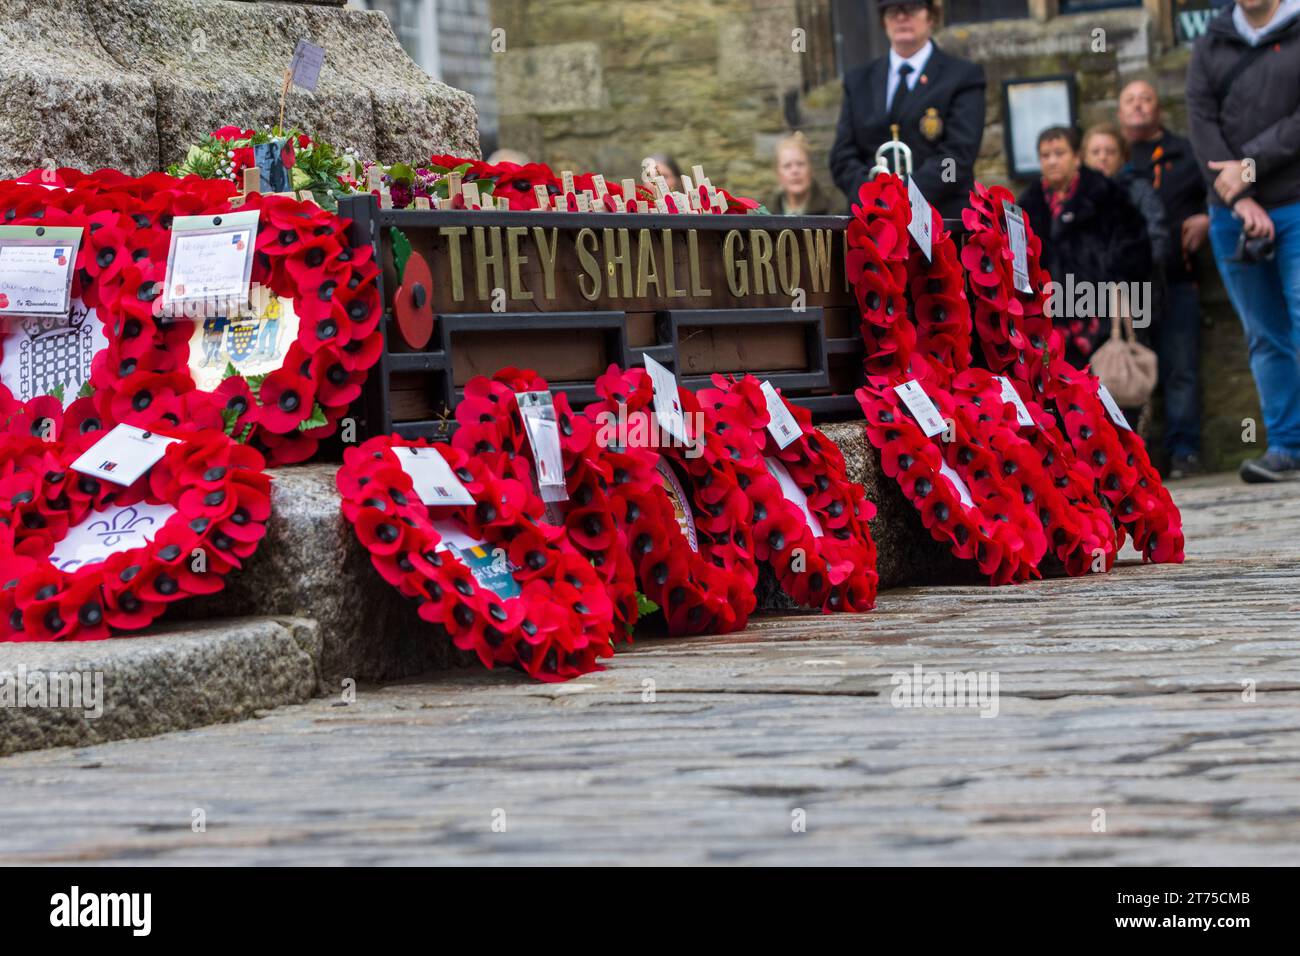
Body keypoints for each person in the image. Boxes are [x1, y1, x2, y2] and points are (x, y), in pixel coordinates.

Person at [1187, 0, 1300, 483]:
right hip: (1232, 212)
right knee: (1263, 333)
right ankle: (1285, 445)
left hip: (1295, 201)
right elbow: (1201, 126)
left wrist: (1249, 168)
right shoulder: (1209, 43)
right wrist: (1239, 200)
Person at [1118, 79, 1210, 479]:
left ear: (1159, 108)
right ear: (1120, 112)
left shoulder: (1187, 153)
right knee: (1126, 369)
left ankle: (1183, 453)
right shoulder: (1110, 158)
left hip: (1177, 279)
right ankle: (1130, 459)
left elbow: (1219, 192)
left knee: (1180, 368)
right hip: (1126, 288)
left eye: (1146, 99)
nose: (1139, 106)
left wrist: (1210, 217)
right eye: (1130, 100)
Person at [829, 0, 985, 219]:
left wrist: (903, 197)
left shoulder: (963, 76)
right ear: (883, 21)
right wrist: (873, 197)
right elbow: (842, 157)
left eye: (911, 8)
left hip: (940, 222)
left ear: (931, 16)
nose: (901, 17)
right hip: (872, 223)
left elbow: (958, 156)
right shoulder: (858, 81)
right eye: (892, 11)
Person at [1017, 126, 1152, 367]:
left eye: (1059, 153)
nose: (1052, 161)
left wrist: (1111, 282)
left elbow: (1135, 246)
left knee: (1108, 395)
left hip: (1101, 314)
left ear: (1077, 157)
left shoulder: (1106, 193)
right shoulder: (1028, 204)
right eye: (1045, 156)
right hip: (1050, 320)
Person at [765, 132, 842, 215]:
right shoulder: (763, 214)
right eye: (787, 166)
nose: (795, 171)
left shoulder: (834, 212)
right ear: (778, 173)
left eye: (800, 164)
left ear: (811, 169)